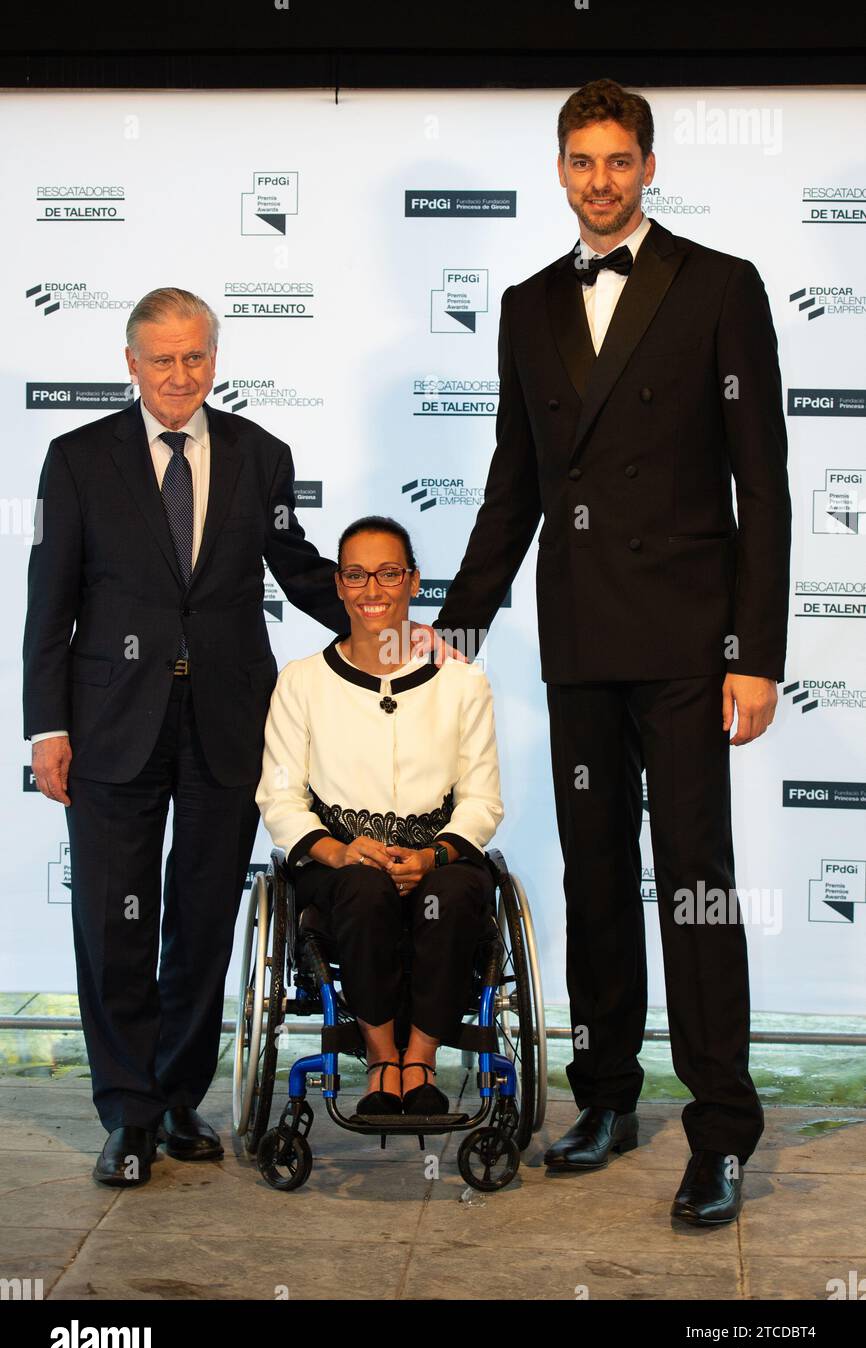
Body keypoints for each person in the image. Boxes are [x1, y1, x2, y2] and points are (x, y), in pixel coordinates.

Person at [434, 78, 791, 1224]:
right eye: (580, 161)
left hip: (691, 642)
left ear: (647, 166)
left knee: (694, 885)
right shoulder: (527, 303)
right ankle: (601, 1094)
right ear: (559, 171)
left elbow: (764, 488)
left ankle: (720, 1129)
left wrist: (756, 651)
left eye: (617, 160)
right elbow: (514, 481)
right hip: (581, 632)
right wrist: (459, 615)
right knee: (594, 882)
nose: (599, 180)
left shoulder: (719, 287)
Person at [22, 289, 439, 1185]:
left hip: (225, 725)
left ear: (216, 359)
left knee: (204, 922)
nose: (180, 377)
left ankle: (176, 1101)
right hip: (108, 729)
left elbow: (299, 573)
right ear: (131, 363)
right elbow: (47, 602)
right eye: (162, 360)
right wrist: (46, 728)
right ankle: (126, 1114)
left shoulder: (260, 456)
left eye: (196, 358)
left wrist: (390, 623)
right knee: (113, 922)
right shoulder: (77, 460)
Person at [256, 516, 504, 1115]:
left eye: (389, 574)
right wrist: (338, 850)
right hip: (336, 857)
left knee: (452, 893)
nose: (373, 590)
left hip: (437, 850)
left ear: (413, 582)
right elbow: (281, 799)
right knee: (362, 888)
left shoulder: (461, 682)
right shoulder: (302, 682)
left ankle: (419, 1059)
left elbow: (482, 801)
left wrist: (431, 854)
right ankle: (380, 1059)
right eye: (357, 575)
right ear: (338, 586)